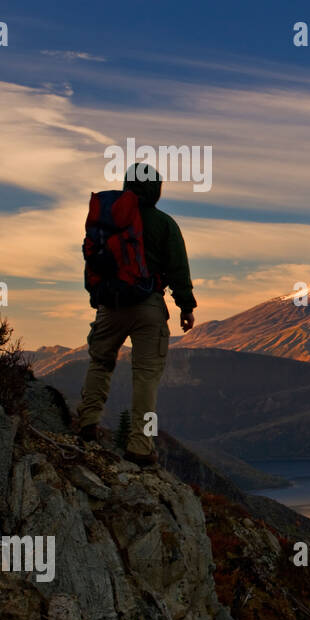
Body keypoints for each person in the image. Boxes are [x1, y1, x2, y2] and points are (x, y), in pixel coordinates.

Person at [75, 163, 196, 466]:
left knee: (100, 363)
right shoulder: (163, 224)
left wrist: (99, 301)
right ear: (156, 190)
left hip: (109, 306)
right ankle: (140, 447)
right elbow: (178, 268)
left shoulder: (107, 221)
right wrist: (186, 307)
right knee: (146, 377)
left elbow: (92, 261)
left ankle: (87, 424)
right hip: (148, 307)